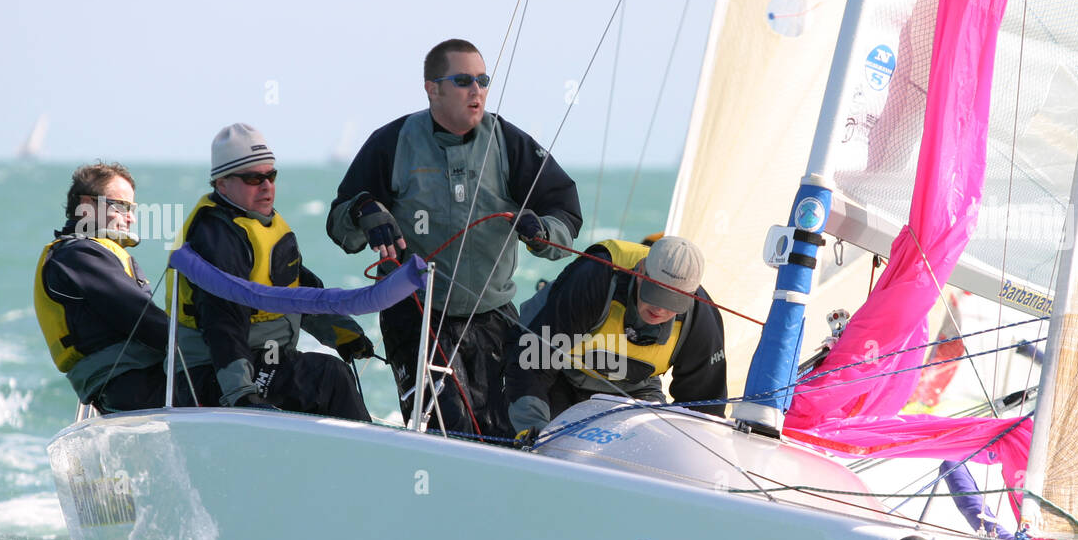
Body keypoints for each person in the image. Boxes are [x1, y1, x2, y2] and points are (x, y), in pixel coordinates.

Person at [327, 38, 582, 438]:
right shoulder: (392, 142)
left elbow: (565, 209)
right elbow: (339, 222)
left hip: (493, 315)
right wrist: (364, 210)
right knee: (450, 431)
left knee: (511, 433)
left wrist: (543, 232)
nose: (476, 90)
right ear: (433, 88)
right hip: (416, 314)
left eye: (483, 79)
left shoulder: (508, 143)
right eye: (464, 80)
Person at [175, 123, 374, 420]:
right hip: (210, 374)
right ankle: (369, 460)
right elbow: (223, 321)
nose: (266, 185)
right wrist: (241, 395)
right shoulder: (216, 238)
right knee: (328, 377)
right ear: (221, 184)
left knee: (324, 376)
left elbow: (297, 287)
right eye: (254, 178)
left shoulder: (260, 223)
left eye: (271, 175)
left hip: (260, 360)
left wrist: (341, 333)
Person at [505, 235, 728, 442]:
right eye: (655, 293)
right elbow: (533, 364)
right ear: (640, 271)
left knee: (651, 445)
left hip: (634, 389)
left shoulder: (701, 318)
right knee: (533, 433)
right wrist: (532, 432)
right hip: (558, 375)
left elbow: (703, 409)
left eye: (673, 303)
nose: (660, 309)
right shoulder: (596, 278)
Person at [34, 162, 213, 412]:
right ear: (87, 206)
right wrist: (211, 348)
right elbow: (142, 319)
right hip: (130, 385)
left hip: (138, 378)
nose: (131, 217)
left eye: (133, 208)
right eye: (121, 207)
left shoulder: (96, 253)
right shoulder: (80, 256)